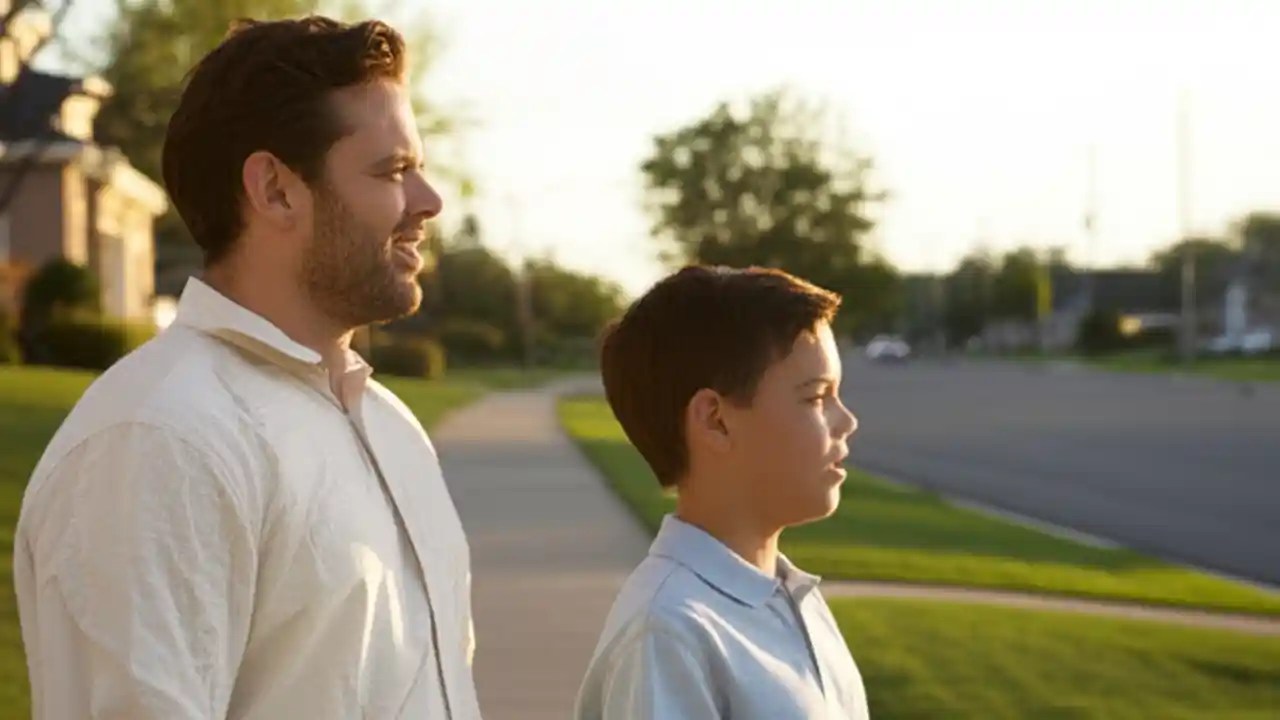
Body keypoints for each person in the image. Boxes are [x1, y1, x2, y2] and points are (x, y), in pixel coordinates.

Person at [13, 16, 481, 719]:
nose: (428, 202)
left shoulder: (390, 426)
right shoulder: (160, 438)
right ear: (276, 190)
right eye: (392, 171)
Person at [575, 265, 870, 719]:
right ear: (715, 419)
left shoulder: (791, 599)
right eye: (816, 397)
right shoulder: (669, 633)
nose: (846, 421)